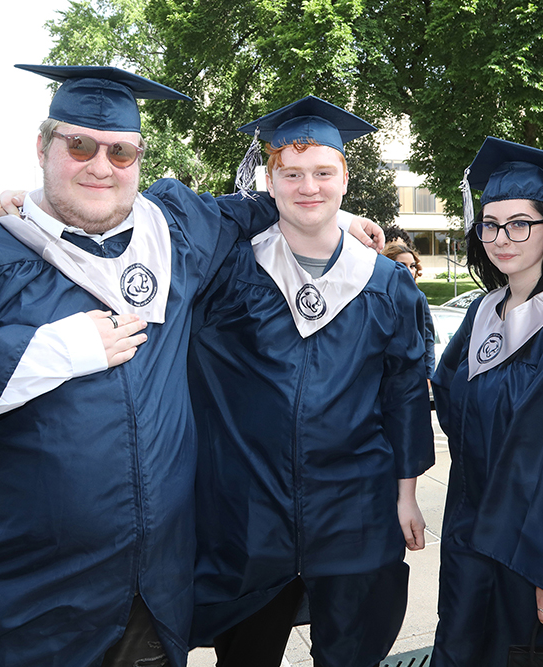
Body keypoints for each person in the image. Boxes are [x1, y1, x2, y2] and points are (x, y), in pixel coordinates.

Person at [0, 66, 377, 667]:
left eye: (120, 151)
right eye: (78, 145)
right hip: (11, 607)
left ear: (139, 158)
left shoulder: (174, 235)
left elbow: (251, 209)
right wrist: (51, 351)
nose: (100, 166)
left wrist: (331, 223)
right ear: (42, 148)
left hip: (146, 600)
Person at [187, 96, 434, 667]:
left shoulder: (388, 284)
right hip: (248, 511)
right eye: (291, 174)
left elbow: (403, 393)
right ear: (267, 181)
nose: (309, 187)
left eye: (324, 173)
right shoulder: (229, 271)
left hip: (357, 507)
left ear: (346, 178)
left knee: (351, 652)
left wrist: (406, 495)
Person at [430, 138, 543, 666]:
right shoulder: (484, 311)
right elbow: (447, 393)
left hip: (527, 548)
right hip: (467, 532)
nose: (501, 238)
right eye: (489, 224)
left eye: (519, 224)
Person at [383, 243, 436, 376]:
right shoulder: (377, 295)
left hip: (412, 375)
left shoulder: (419, 297)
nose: (409, 270)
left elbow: (427, 336)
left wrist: (428, 373)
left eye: (412, 266)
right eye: (401, 265)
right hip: (382, 374)